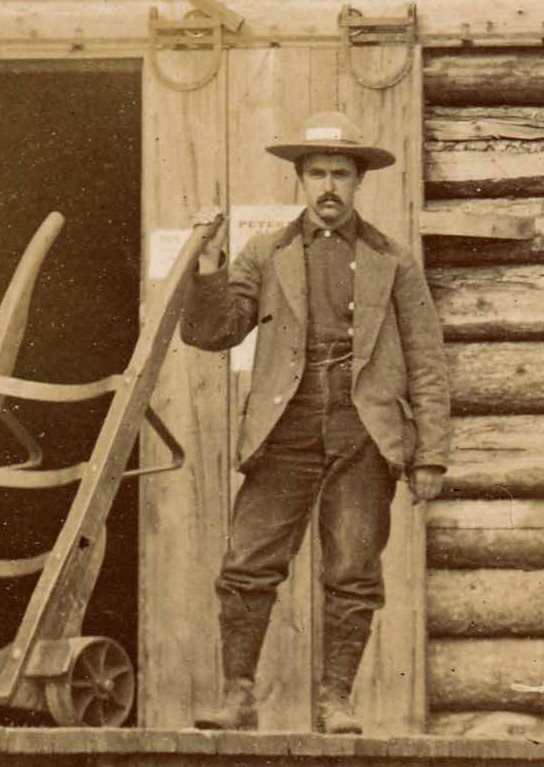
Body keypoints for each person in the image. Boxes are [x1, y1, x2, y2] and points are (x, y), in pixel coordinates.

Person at [180, 117, 452, 730]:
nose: (329, 186)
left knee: (353, 569)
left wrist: (431, 453)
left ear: (359, 181)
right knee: (248, 563)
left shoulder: (392, 260)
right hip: (286, 427)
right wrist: (209, 267)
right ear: (299, 180)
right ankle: (238, 696)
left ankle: (336, 700)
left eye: (340, 174)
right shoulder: (266, 254)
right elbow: (213, 332)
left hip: (364, 430)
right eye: (317, 173)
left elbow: (427, 360)